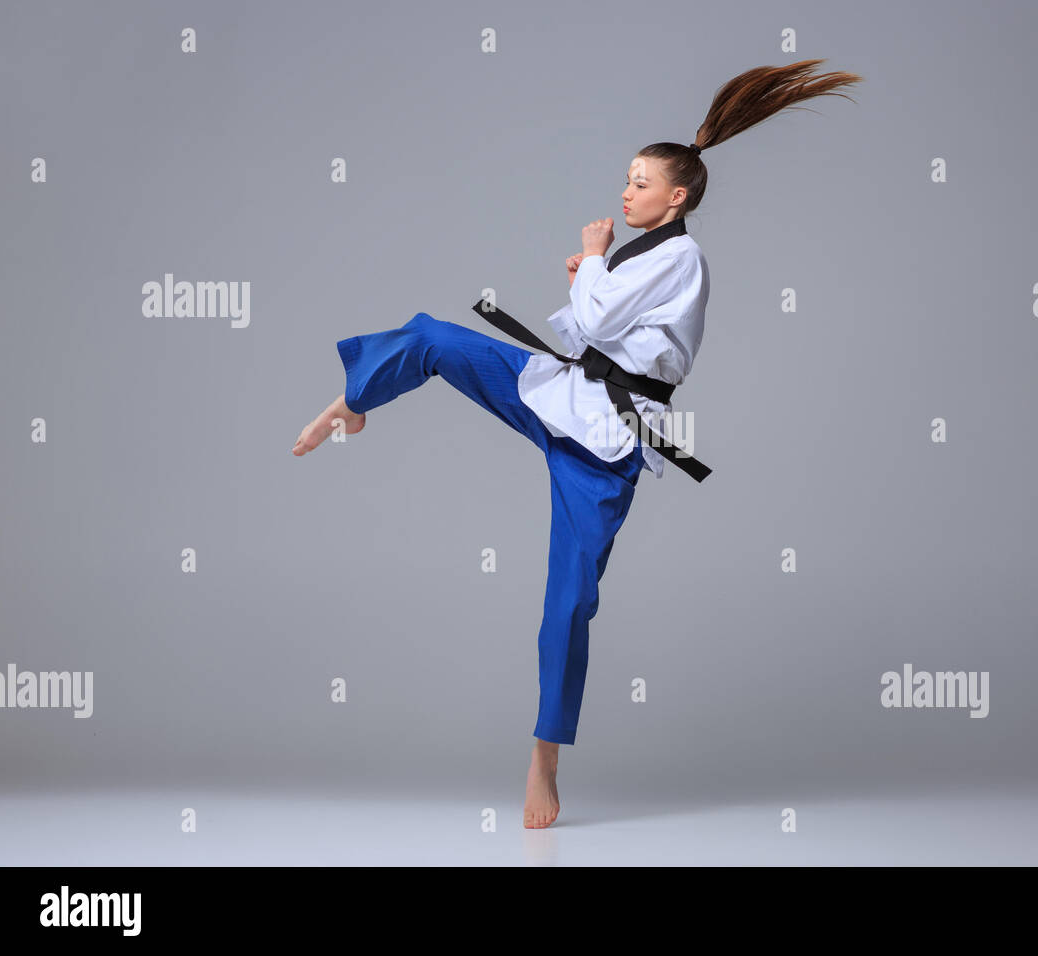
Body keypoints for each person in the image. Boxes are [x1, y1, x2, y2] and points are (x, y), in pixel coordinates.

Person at [292, 59, 862, 828]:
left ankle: (543, 761)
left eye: (639, 183)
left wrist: (590, 255)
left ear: (677, 196)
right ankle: (356, 402)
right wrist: (593, 268)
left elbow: (599, 324)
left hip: (606, 442)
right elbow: (601, 325)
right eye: (625, 181)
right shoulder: (649, 254)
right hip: (557, 395)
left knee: (568, 604)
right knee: (432, 335)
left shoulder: (682, 256)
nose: (625, 193)